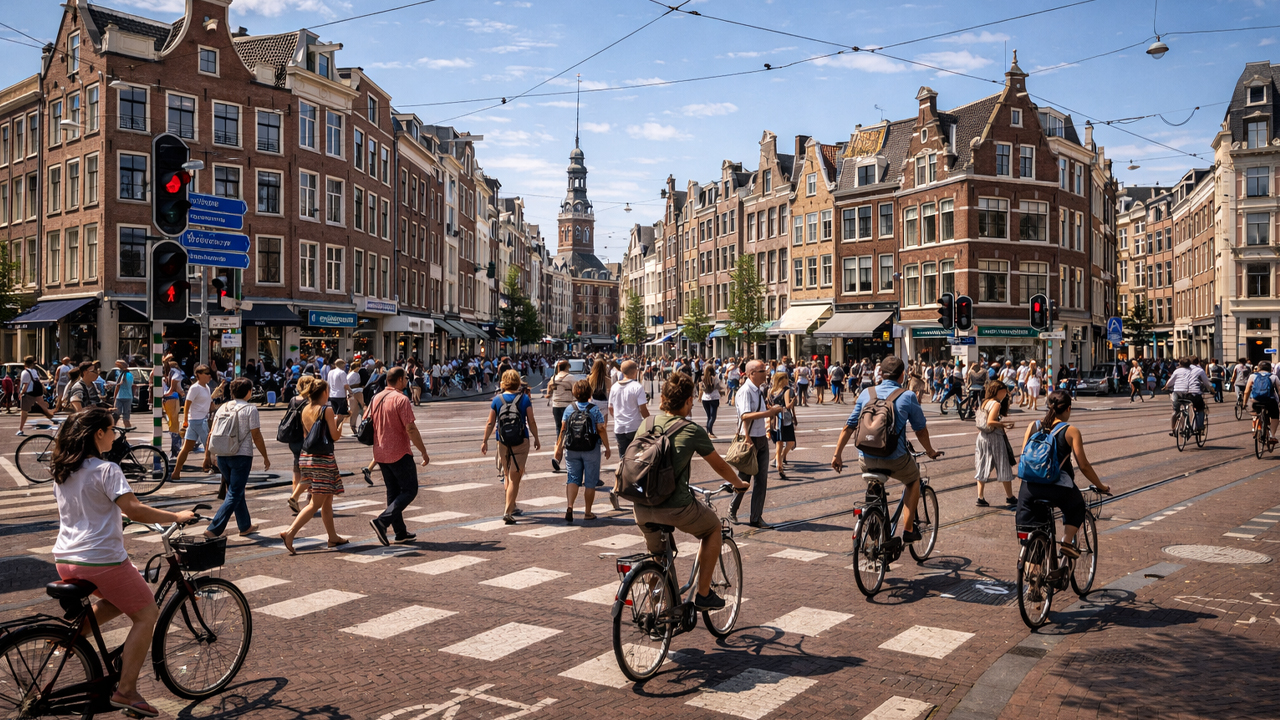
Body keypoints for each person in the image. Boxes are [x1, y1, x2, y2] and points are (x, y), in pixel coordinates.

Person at [49, 408, 196, 718]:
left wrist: (112, 520)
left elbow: (86, 509)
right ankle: (126, 691)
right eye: (112, 429)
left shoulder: (64, 470)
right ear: (98, 434)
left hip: (65, 559)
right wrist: (176, 516)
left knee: (119, 601)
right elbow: (134, 509)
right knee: (146, 615)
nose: (115, 435)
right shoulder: (107, 469)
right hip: (101, 560)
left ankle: (71, 637)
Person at [632, 372, 750, 609]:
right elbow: (718, 465)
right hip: (675, 506)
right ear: (688, 401)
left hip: (641, 506)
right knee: (713, 528)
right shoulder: (692, 430)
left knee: (659, 556)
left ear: (663, 398)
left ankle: (658, 612)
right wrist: (739, 483)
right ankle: (704, 594)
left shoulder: (646, 424)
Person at [831, 356, 941, 546]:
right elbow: (920, 430)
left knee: (875, 481)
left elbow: (848, 427)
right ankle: (908, 529)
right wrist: (930, 450)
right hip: (895, 458)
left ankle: (874, 521)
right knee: (913, 480)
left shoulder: (866, 393)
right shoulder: (907, 396)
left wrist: (837, 455)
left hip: (866, 459)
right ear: (902, 375)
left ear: (880, 373)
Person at [1015, 391, 1111, 560]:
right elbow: (1084, 466)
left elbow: (1024, 455)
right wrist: (1101, 486)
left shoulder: (1033, 426)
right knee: (1077, 507)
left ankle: (1032, 583)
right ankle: (1067, 543)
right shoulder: (1071, 431)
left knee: (1030, 538)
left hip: (1029, 488)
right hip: (1058, 489)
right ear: (1068, 409)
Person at [367, 367, 431, 545]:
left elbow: (368, 420)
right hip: (399, 452)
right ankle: (382, 521)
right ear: (400, 380)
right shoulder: (401, 399)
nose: (407, 380)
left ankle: (400, 532)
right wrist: (423, 451)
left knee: (393, 492)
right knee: (410, 490)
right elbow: (410, 428)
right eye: (406, 378)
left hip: (380, 452)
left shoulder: (375, 398)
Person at [280, 379, 345, 553]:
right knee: (316, 503)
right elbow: (335, 436)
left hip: (307, 456)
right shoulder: (327, 410)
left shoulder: (306, 409)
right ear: (324, 393)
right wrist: (340, 423)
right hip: (322, 459)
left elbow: (307, 435)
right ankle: (290, 533)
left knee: (327, 500)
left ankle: (332, 537)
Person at [204, 378, 269, 539]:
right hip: (241, 455)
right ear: (248, 392)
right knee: (234, 492)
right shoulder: (250, 409)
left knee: (235, 490)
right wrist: (265, 456)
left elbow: (211, 433)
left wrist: (207, 456)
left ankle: (245, 525)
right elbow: (256, 435)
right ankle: (214, 528)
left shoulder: (223, 407)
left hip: (222, 455)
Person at [481, 369, 541, 524]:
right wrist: (536, 438)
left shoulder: (497, 400)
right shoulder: (525, 399)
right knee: (515, 476)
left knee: (508, 474)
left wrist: (485, 440)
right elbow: (531, 421)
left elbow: (490, 423)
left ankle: (512, 505)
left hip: (502, 440)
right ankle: (508, 511)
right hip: (521, 440)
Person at [730, 361, 784, 528]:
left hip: (761, 437)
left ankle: (756, 517)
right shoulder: (745, 391)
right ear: (751, 373)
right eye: (762, 371)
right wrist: (770, 412)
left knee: (761, 480)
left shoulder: (759, 390)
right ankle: (732, 510)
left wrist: (771, 408)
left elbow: (757, 411)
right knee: (743, 480)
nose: (766, 373)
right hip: (750, 439)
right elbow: (745, 416)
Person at [554, 380, 610, 523]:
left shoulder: (569, 408)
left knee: (572, 478)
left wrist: (559, 448)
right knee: (590, 482)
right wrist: (607, 446)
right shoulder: (594, 409)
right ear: (589, 393)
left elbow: (563, 429)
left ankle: (570, 506)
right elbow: (601, 428)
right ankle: (588, 512)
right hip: (591, 448)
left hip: (572, 448)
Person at [974, 380, 1017, 507]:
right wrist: (1004, 425)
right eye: (1004, 391)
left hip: (982, 437)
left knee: (982, 465)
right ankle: (1010, 497)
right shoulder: (996, 404)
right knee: (1003, 465)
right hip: (994, 438)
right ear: (999, 391)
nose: (1006, 394)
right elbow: (991, 422)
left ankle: (980, 497)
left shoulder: (985, 402)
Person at [170, 365, 214, 481]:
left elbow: (207, 403)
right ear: (199, 375)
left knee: (187, 447)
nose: (209, 376)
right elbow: (187, 404)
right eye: (206, 373)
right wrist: (185, 420)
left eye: (209, 373)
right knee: (209, 446)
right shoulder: (195, 388)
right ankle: (210, 466)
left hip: (198, 420)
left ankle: (176, 472)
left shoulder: (206, 388)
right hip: (198, 420)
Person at [544, 360, 577, 473]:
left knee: (560, 430)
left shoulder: (553, 378)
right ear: (567, 367)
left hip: (556, 406)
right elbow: (576, 392)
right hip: (568, 405)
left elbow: (549, 392)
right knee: (571, 430)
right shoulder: (571, 378)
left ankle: (557, 457)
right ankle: (569, 458)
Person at [1164, 357, 1210, 437]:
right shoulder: (1192, 371)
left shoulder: (1177, 371)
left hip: (1177, 392)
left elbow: (1170, 382)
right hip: (1186, 393)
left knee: (1175, 411)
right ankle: (1189, 426)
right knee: (1188, 407)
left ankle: (1173, 429)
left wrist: (1166, 386)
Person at [766, 370, 797, 480]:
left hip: (774, 419)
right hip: (785, 419)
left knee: (778, 444)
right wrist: (794, 400)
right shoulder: (787, 390)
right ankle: (781, 458)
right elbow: (788, 406)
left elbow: (768, 405)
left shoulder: (771, 390)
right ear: (782, 380)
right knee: (791, 442)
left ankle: (779, 464)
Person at [16, 356, 55, 435]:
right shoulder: (34, 371)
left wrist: (21, 393)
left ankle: (20, 429)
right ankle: (53, 419)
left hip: (29, 393)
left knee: (24, 412)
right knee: (44, 407)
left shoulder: (25, 372)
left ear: (25, 363)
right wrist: (44, 390)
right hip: (37, 392)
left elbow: (25, 385)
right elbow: (38, 381)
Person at [1244, 361, 1280, 441]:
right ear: (1270, 368)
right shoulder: (1273, 377)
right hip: (1269, 401)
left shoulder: (1252, 376)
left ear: (1259, 368)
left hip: (1255, 400)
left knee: (1256, 413)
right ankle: (1272, 435)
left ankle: (1256, 428)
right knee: (1275, 416)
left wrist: (1244, 403)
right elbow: (1279, 390)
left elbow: (1246, 391)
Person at [699, 366, 725, 439]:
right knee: (713, 416)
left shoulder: (703, 378)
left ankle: (709, 431)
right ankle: (709, 431)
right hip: (714, 397)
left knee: (708, 416)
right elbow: (718, 386)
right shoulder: (715, 377)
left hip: (705, 398)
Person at [327, 359, 350, 428]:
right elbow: (345, 385)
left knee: (335, 413)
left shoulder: (330, 372)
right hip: (340, 395)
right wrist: (350, 392)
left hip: (332, 395)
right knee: (341, 414)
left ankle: (334, 428)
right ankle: (336, 428)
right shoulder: (342, 373)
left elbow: (328, 384)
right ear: (341, 364)